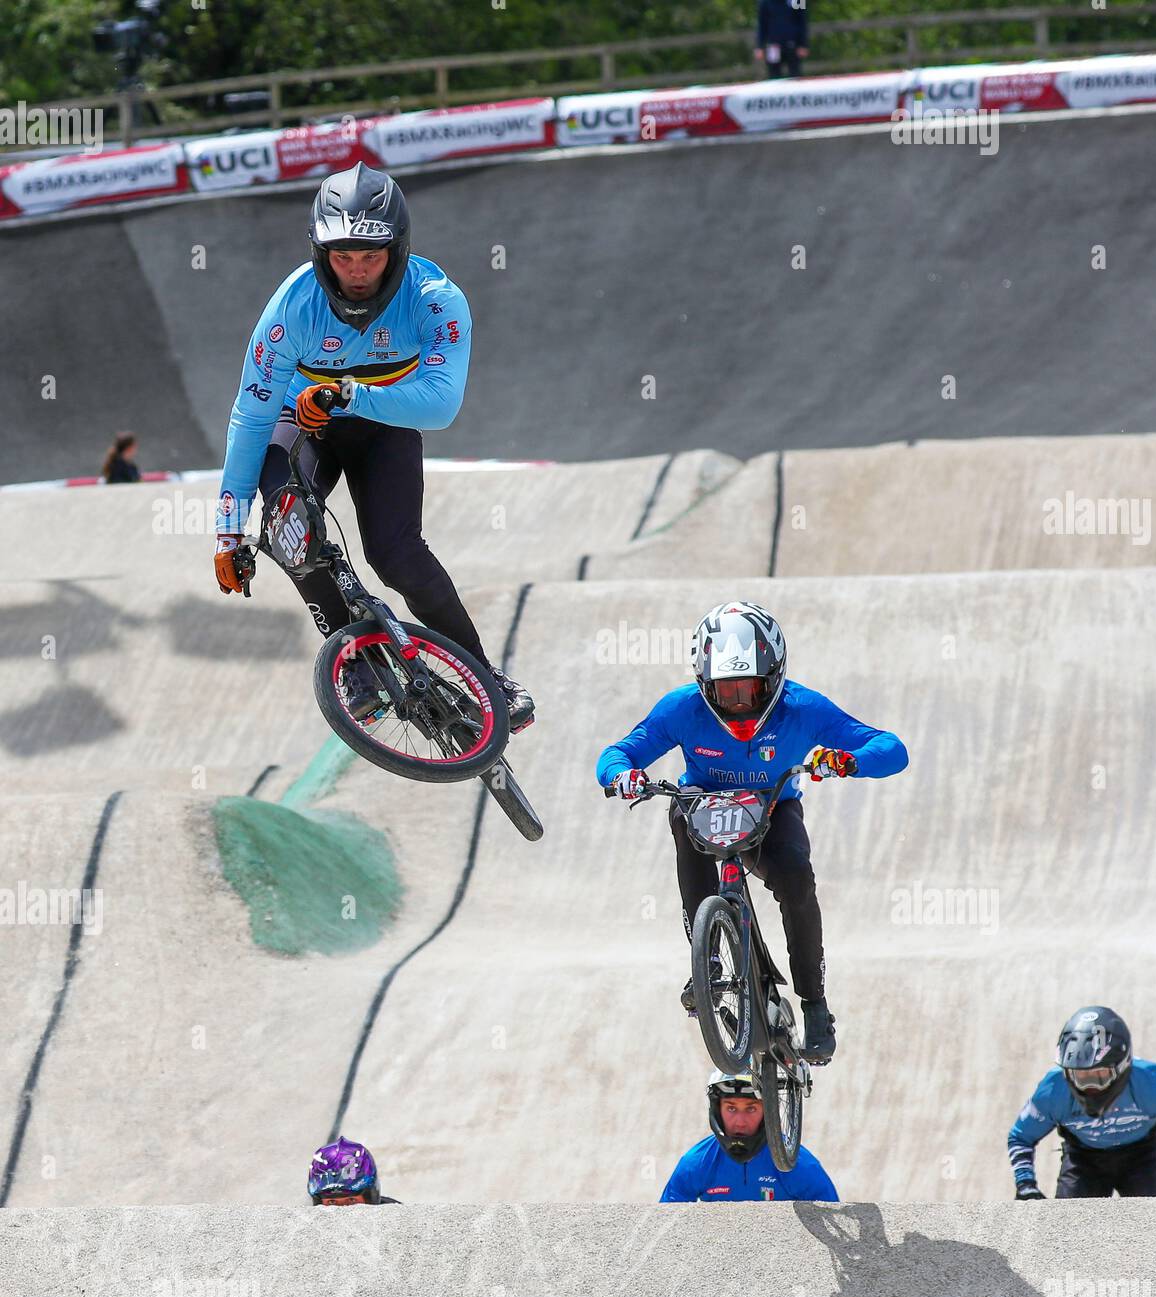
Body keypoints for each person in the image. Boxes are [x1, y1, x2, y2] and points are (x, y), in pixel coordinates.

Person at [211, 160, 534, 732]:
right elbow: (251, 416)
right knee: (290, 527)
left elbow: (440, 406)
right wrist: (227, 528)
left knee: (397, 558)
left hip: (383, 423)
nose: (356, 272)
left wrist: (349, 394)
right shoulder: (291, 309)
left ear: (398, 250)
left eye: (371, 256)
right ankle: (353, 660)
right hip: (301, 422)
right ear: (320, 254)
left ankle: (485, 679)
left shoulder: (435, 298)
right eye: (342, 257)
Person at [596, 600, 907, 1061]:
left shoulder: (803, 707)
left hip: (772, 810)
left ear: (776, 678)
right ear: (704, 686)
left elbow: (892, 749)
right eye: (726, 692)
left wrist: (848, 760)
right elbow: (618, 754)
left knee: (796, 878)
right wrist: (622, 776)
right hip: (703, 803)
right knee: (682, 821)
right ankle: (708, 960)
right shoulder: (681, 708)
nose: (740, 703)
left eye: (751, 689)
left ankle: (815, 1004)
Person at [1007, 1006, 1156, 1200]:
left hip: (1141, 1158)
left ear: (1123, 1065)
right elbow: (1019, 1138)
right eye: (1080, 1076)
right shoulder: (1053, 1088)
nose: (1089, 1087)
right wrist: (1026, 1185)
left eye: (1099, 1075)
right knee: (1069, 1234)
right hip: (1084, 1160)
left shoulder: (1154, 1082)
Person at [660, 1071, 838, 1202]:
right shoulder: (696, 1162)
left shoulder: (799, 1164)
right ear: (716, 1109)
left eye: (751, 1109)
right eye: (731, 1108)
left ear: (768, 1111)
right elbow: (666, 1225)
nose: (740, 1122)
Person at [308, 1135, 400, 1206]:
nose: (342, 1210)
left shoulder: (398, 1219)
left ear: (370, 1197)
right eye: (332, 1202)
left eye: (352, 1200)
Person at [755, 0, 810, 79]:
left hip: (793, 44)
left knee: (795, 75)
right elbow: (762, 24)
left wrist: (803, 44)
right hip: (773, 45)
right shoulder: (765, 2)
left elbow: (803, 22)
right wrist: (759, 46)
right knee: (774, 76)